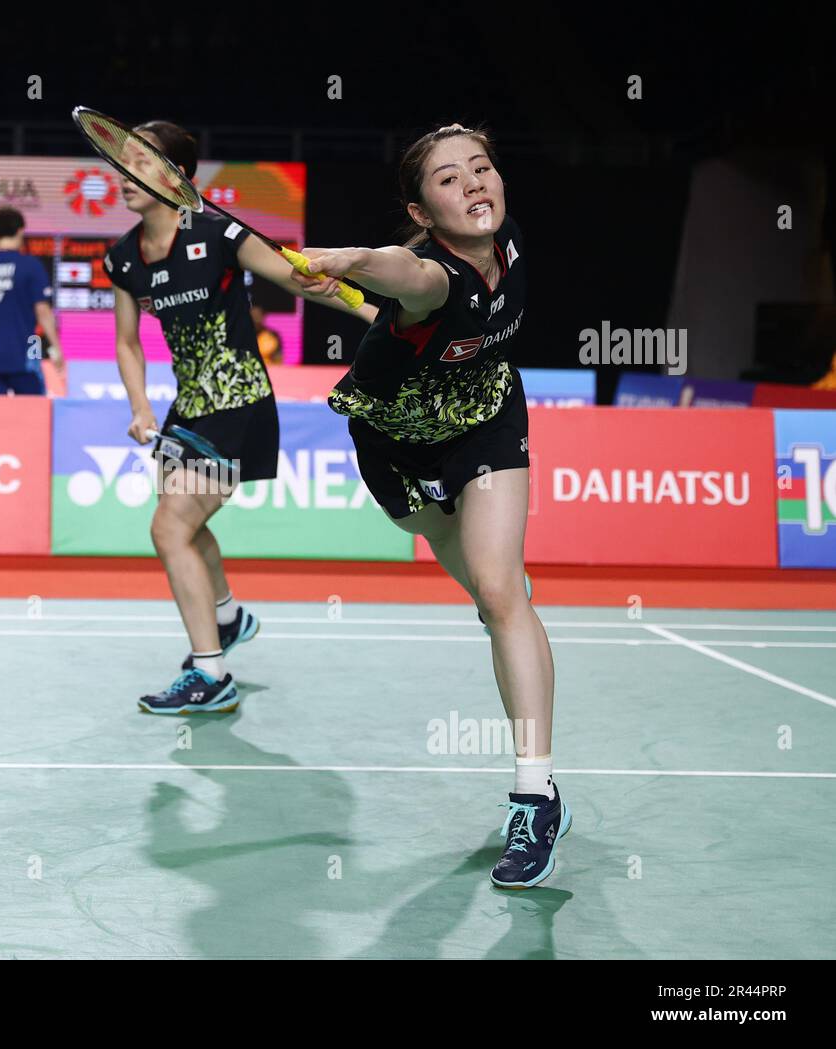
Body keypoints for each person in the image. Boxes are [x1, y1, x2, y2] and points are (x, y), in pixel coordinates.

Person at [291, 124, 567, 889]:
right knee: (492, 598)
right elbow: (406, 278)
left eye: (483, 167)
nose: (475, 183)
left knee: (503, 590)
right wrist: (351, 265)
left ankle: (535, 795)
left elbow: (412, 302)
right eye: (450, 179)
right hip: (397, 447)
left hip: (487, 417)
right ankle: (511, 618)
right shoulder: (431, 274)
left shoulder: (503, 238)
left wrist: (346, 278)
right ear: (419, 209)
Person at [105, 119, 377, 714]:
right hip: (189, 408)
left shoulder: (218, 232)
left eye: (143, 163)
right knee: (184, 527)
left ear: (178, 176)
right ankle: (225, 618)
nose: (126, 175)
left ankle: (211, 675)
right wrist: (140, 404)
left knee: (169, 529)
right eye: (122, 162)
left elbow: (300, 280)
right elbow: (127, 342)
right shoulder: (123, 259)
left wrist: (377, 316)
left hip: (241, 402)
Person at [0, 207, 63, 394]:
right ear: (21, 230)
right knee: (34, 417)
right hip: (26, 355)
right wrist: (56, 348)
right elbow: (43, 312)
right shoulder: (31, 266)